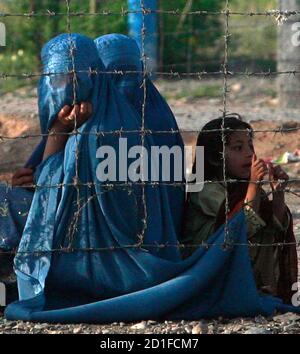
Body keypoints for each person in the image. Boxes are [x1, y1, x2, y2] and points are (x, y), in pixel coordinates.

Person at [180, 114, 298, 303]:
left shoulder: (246, 187)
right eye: (238, 148)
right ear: (215, 158)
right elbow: (241, 228)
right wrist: (252, 184)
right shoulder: (205, 190)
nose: (250, 153)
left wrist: (278, 193)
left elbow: (276, 228)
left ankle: (260, 287)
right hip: (205, 274)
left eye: (250, 146)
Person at [94, 34, 185, 259]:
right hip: (168, 244)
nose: (125, 83)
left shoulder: (95, 122)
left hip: (110, 249)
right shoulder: (161, 113)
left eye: (130, 72)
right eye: (116, 73)